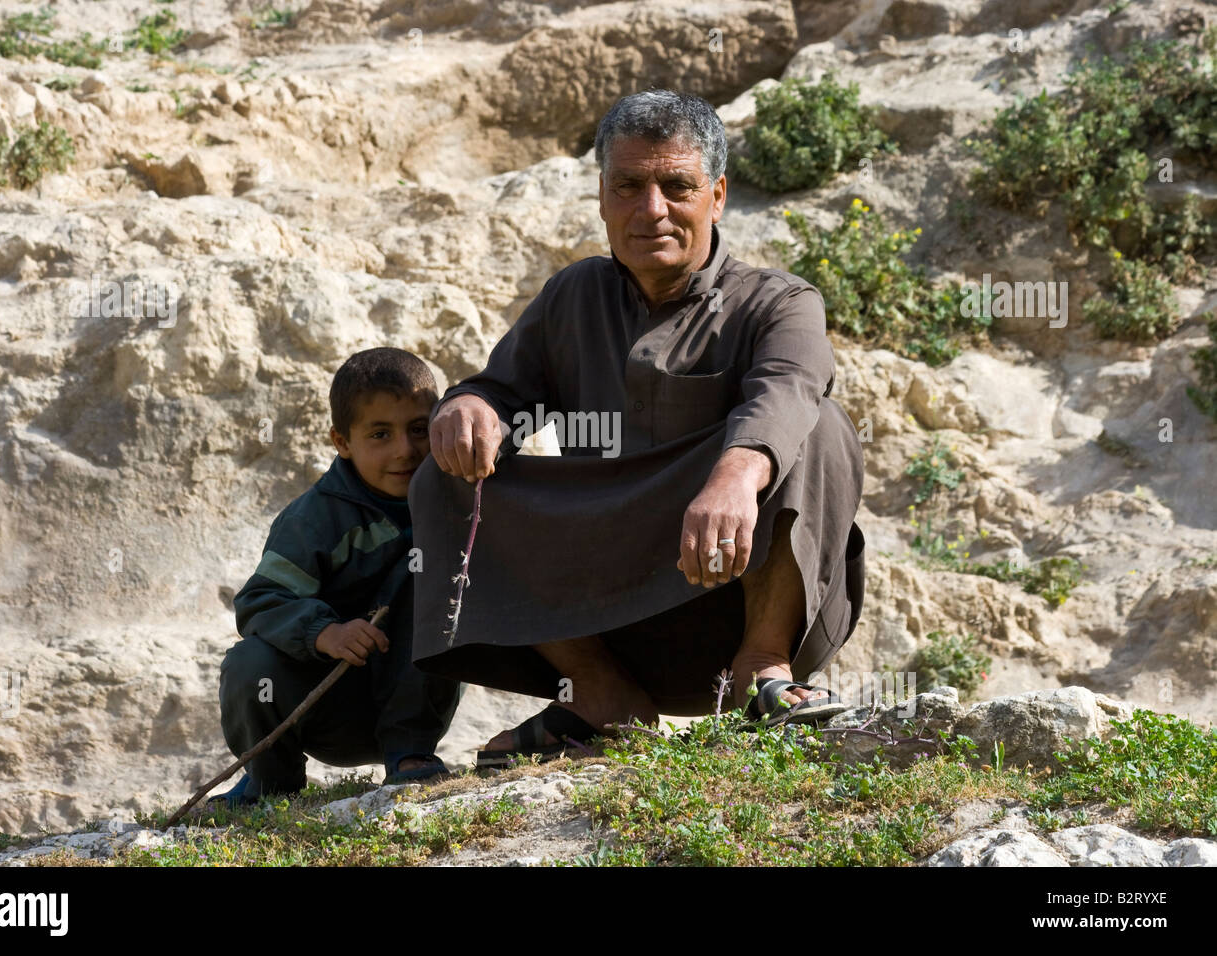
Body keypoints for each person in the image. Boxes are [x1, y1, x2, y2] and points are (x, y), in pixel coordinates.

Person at [410, 90, 866, 766]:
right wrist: (471, 407)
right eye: (629, 185)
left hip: (732, 603)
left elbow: (788, 389)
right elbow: (503, 391)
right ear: (602, 196)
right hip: (607, 620)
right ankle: (599, 697)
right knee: (443, 471)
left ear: (717, 196)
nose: (651, 208)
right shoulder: (573, 297)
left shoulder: (780, 302)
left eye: (676, 186)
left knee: (819, 426)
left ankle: (762, 677)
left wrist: (737, 476)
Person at [214, 348, 461, 804]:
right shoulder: (314, 520)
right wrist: (323, 632)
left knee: (427, 576)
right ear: (342, 441)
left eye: (418, 429)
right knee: (248, 665)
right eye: (380, 434)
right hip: (324, 704)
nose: (405, 450)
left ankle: (410, 757)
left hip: (414, 699)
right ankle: (271, 782)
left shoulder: (453, 495)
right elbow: (261, 600)